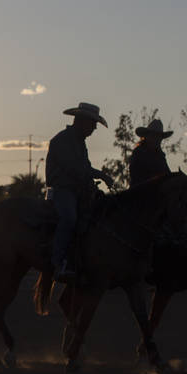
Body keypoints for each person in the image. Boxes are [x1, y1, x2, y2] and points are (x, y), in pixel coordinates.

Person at [45, 102, 115, 283]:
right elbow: (76, 168)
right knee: (69, 218)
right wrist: (101, 175)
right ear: (81, 121)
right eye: (92, 124)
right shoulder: (62, 140)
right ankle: (58, 262)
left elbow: (83, 168)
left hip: (78, 190)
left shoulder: (79, 142)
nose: (94, 128)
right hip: (63, 190)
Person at [129, 119, 173, 188]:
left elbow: (167, 175)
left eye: (159, 136)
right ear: (146, 136)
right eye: (154, 136)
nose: (157, 139)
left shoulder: (160, 156)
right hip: (138, 193)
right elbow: (136, 176)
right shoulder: (139, 153)